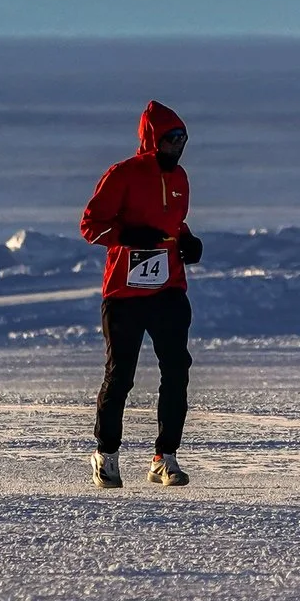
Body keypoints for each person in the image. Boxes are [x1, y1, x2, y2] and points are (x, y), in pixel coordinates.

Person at [80, 100, 204, 489]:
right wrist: (126, 236)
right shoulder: (121, 175)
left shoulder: (181, 178)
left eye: (183, 138)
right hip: (124, 293)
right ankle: (106, 454)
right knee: (121, 377)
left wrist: (189, 242)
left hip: (168, 288)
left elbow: (175, 223)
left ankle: (164, 458)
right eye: (171, 138)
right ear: (154, 140)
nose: (178, 145)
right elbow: (90, 226)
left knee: (177, 370)